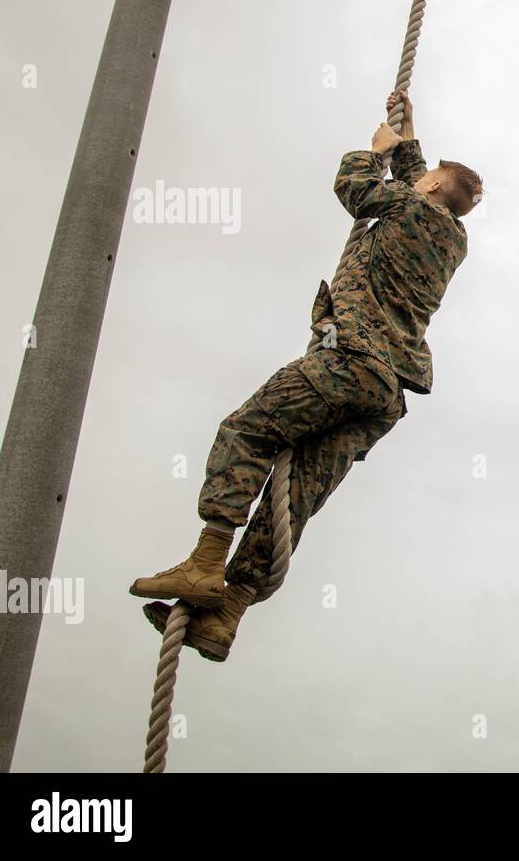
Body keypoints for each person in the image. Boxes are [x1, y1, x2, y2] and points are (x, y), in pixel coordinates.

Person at [131, 90, 482, 660]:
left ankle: (206, 560)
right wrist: (411, 141)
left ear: (435, 189)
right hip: (386, 393)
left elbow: (356, 190)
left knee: (247, 431)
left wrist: (375, 149)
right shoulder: (452, 236)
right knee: (291, 498)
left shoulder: (406, 206)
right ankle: (227, 613)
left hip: (347, 362)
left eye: (425, 177)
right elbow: (424, 184)